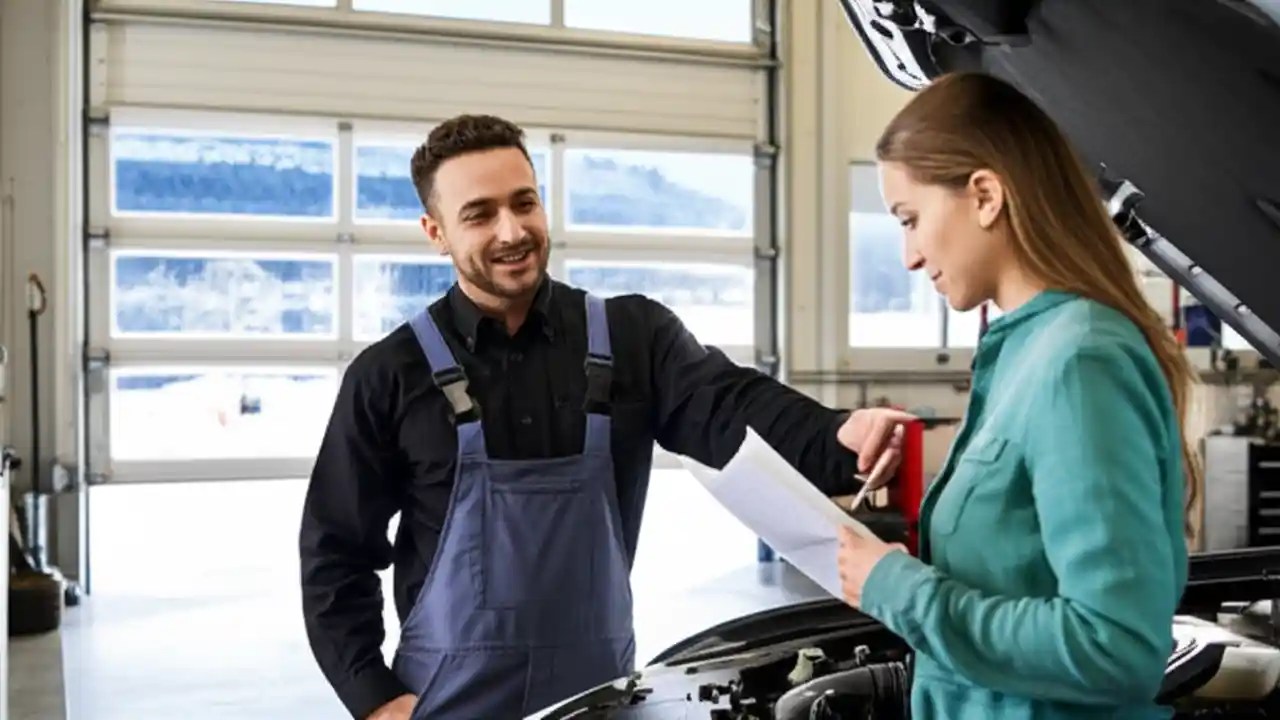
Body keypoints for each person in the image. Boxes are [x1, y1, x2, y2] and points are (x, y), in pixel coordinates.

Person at [299, 113, 908, 720]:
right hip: (447, 704)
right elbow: (335, 552)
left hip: (598, 700)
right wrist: (375, 698)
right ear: (436, 232)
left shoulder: (631, 338)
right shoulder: (389, 375)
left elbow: (729, 404)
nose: (512, 230)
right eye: (480, 214)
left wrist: (836, 434)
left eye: (524, 203)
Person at [833, 71, 1201, 720]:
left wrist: (900, 589)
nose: (910, 257)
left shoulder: (1080, 359)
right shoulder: (1028, 350)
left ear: (983, 195)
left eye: (911, 219)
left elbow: (1114, 647)